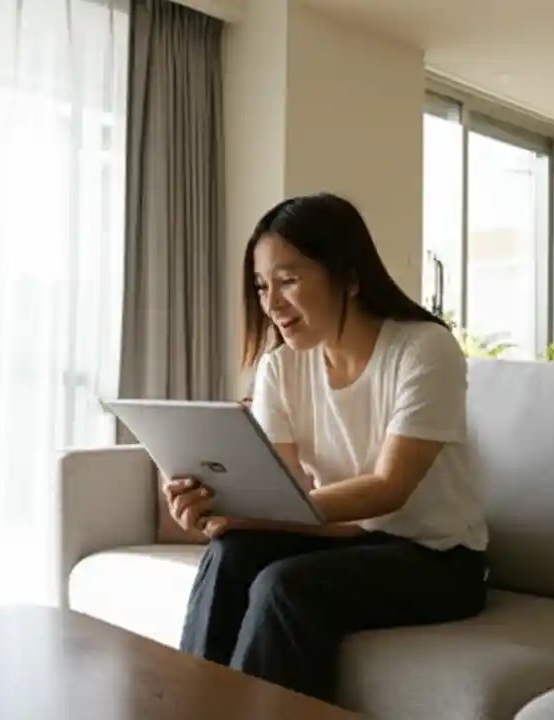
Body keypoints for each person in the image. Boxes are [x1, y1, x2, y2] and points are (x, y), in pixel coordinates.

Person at [161, 193, 488, 703]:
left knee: (287, 586)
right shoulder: (281, 367)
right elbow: (289, 493)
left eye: (288, 280)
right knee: (233, 553)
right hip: (348, 535)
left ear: (350, 277)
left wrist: (256, 509)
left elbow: (389, 488)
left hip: (439, 559)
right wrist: (221, 507)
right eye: (262, 286)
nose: (270, 303)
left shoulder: (424, 348)